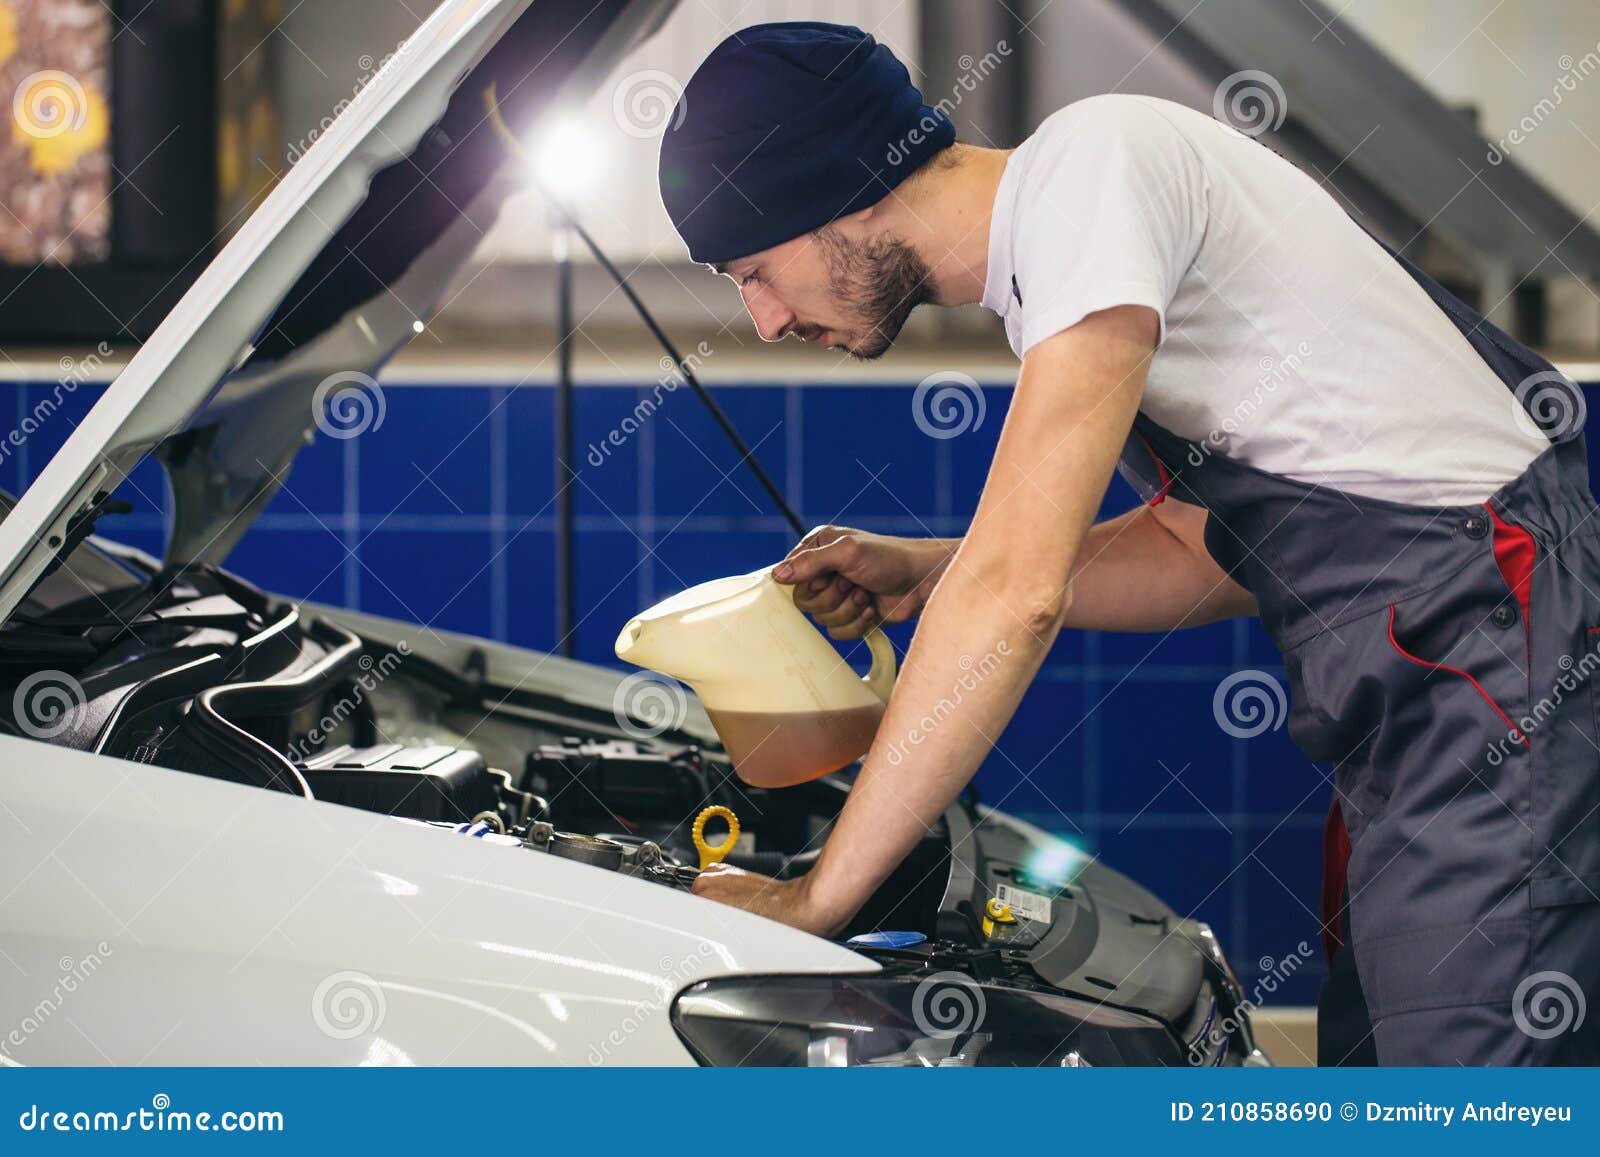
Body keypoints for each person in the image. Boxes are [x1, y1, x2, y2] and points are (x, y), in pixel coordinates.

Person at [655, 21, 1600, 1065]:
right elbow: (1204, 549)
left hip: (1491, 663)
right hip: (1428, 702)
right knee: (1391, 1081)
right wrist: (930, 571)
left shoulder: (1091, 173)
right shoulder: (1066, 248)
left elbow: (1017, 596)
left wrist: (818, 897)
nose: (764, 321)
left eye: (754, 270)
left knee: (1477, 1108)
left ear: (844, 188)